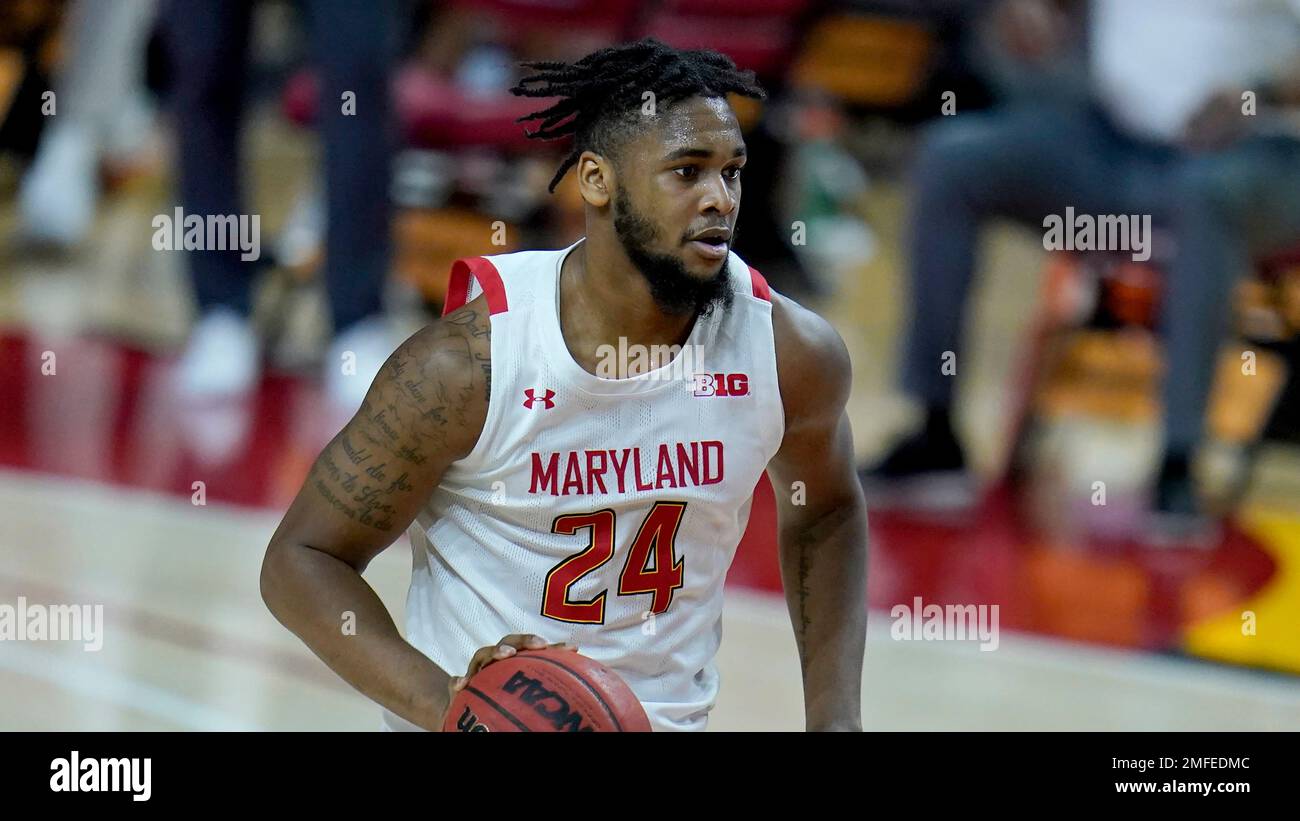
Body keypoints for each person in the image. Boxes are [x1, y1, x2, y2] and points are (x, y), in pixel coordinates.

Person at [260, 39, 869, 732]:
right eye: (687, 171)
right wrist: (452, 707)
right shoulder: (467, 367)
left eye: (732, 172)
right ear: (596, 181)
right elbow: (300, 560)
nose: (718, 198)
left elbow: (826, 513)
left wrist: (835, 719)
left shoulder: (789, 352)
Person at [861, 0, 1300, 536]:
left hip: (1260, 155)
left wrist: (1261, 95)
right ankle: (934, 433)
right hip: (1111, 141)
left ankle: (1179, 466)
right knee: (950, 158)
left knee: (1202, 198)